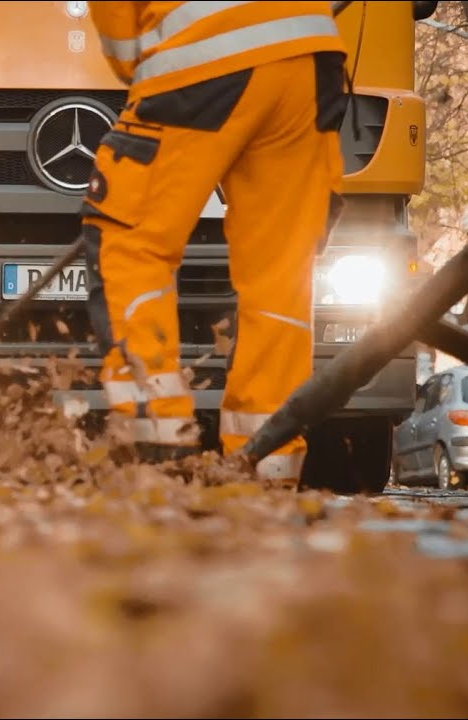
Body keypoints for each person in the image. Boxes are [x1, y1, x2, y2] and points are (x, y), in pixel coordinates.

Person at [80, 2, 349, 484]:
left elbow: (119, 28)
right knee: (280, 272)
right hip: (310, 58)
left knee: (129, 239)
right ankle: (267, 463)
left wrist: (136, 63)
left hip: (203, 53)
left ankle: (156, 452)